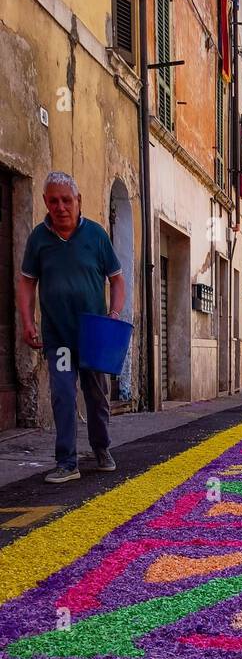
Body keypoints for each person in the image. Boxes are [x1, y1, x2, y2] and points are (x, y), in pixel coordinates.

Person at [17, 171, 124, 484]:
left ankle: (102, 449)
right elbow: (26, 282)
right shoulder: (38, 238)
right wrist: (27, 320)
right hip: (59, 336)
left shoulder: (96, 236)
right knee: (63, 393)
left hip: (93, 336)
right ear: (45, 203)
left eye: (67, 200)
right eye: (53, 201)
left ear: (79, 202)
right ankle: (66, 461)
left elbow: (117, 278)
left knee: (97, 394)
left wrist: (114, 313)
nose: (60, 206)